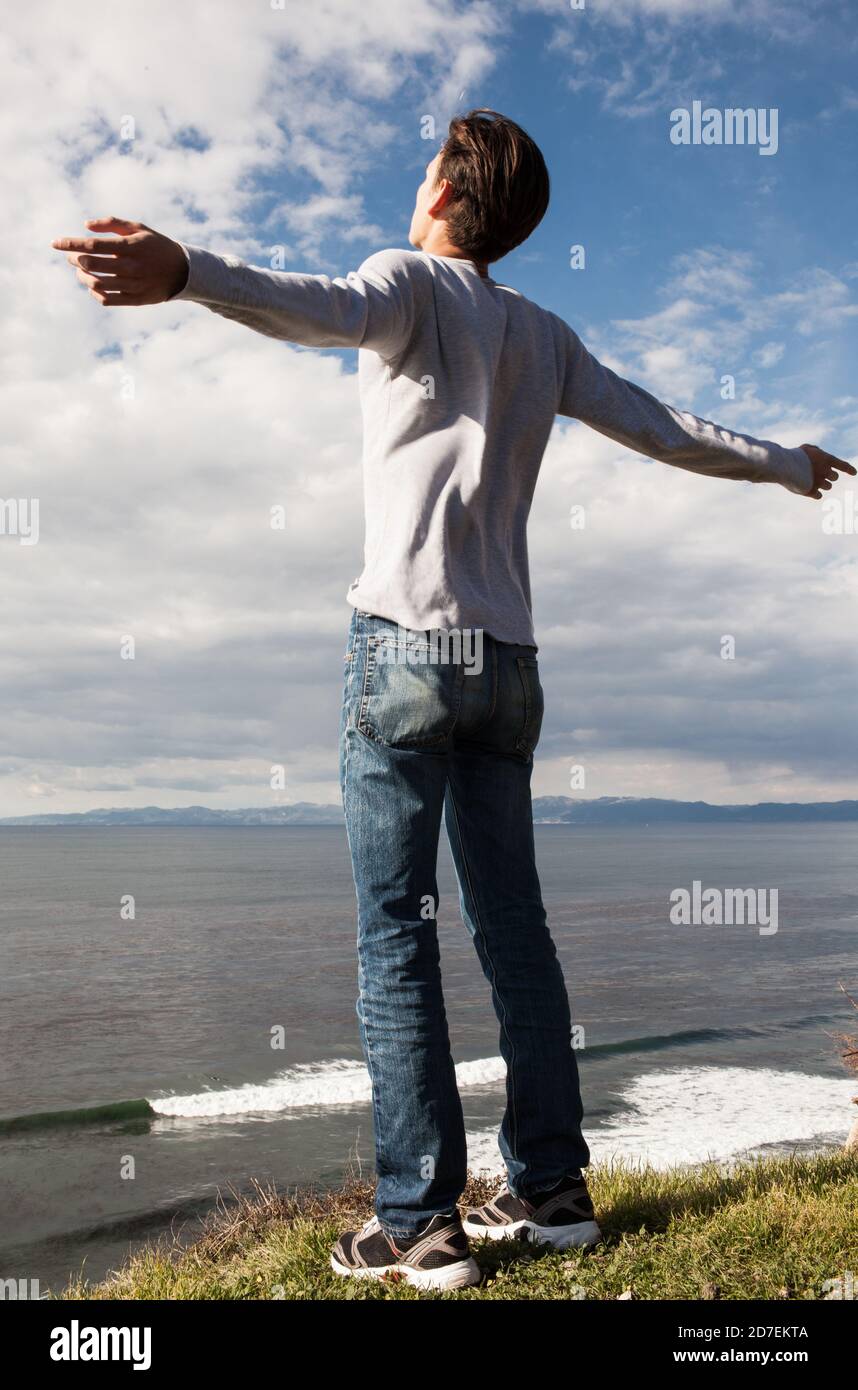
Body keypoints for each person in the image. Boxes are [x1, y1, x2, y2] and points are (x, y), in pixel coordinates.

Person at [52, 108, 855, 1292]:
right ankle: (553, 1192)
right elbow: (660, 424)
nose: (413, 177)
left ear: (447, 192)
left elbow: (309, 303)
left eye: (426, 163)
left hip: (404, 652)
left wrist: (185, 275)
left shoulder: (409, 283)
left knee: (396, 935)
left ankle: (418, 1221)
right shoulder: (545, 332)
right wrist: (783, 461)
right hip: (509, 669)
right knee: (514, 934)